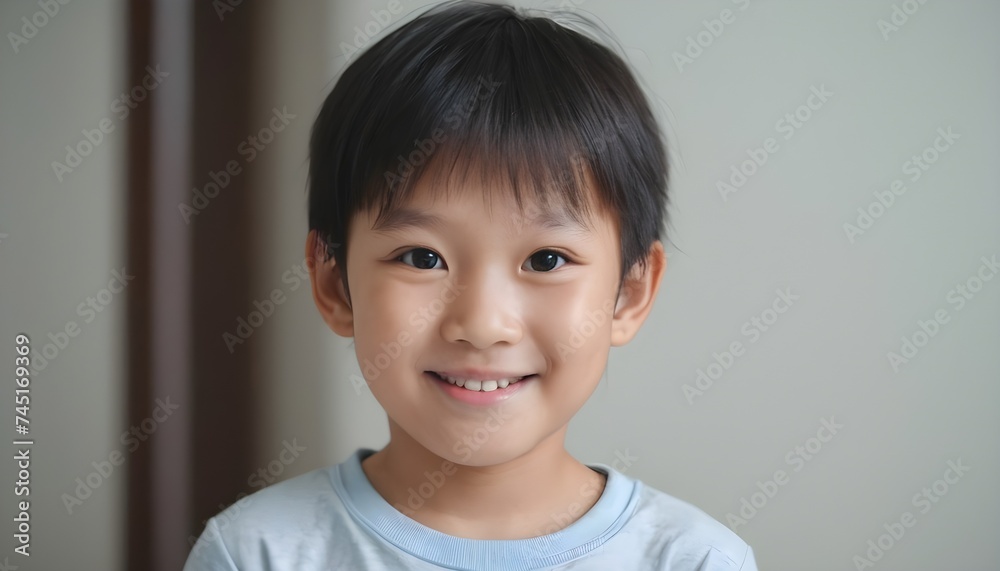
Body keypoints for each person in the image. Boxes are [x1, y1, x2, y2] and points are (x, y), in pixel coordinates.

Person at [184, 1, 758, 569]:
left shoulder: (693, 561)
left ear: (628, 295)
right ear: (335, 285)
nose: (483, 323)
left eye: (547, 259)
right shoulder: (257, 553)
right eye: (421, 257)